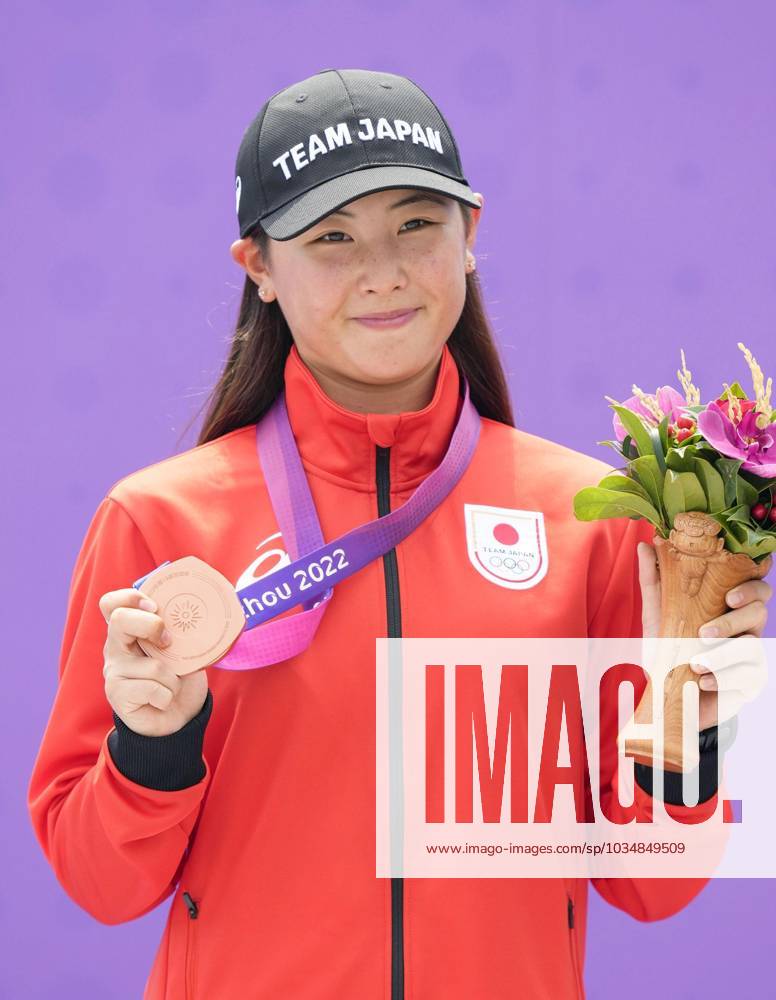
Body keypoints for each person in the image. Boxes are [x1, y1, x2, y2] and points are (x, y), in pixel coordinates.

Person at [28, 68, 772, 999]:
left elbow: (651, 884)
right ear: (257, 267)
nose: (382, 271)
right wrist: (152, 748)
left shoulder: (594, 519)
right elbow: (101, 884)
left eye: (416, 224)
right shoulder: (160, 521)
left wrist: (696, 736)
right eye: (331, 238)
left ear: (471, 235)